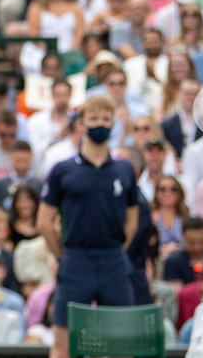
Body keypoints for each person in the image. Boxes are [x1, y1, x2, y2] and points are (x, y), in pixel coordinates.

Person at [37, 95, 139, 358]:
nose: (100, 124)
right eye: (94, 119)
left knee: (121, 347)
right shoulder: (62, 170)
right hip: (76, 260)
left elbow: (133, 218)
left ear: (114, 123)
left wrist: (117, 248)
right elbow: (44, 222)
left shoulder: (125, 169)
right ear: (81, 124)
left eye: (106, 119)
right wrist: (63, 254)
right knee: (62, 347)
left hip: (114, 260)